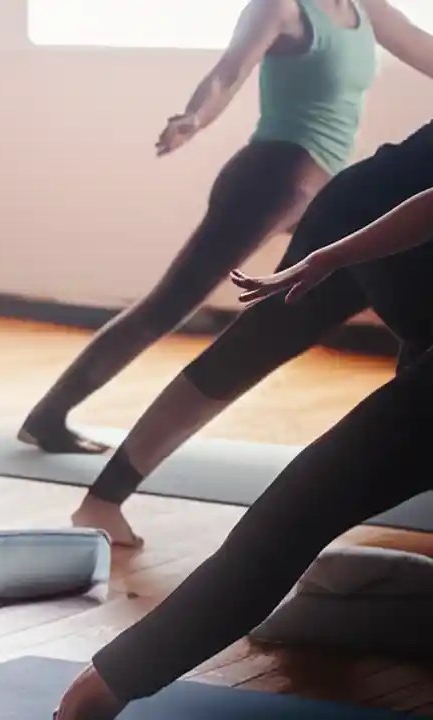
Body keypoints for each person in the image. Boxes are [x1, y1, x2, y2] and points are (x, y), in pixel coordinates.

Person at [52, 129, 433, 719]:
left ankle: (109, 681)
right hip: (366, 216)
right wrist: (327, 256)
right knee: (301, 489)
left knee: (314, 496)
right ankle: (106, 674)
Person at [21, 0, 433, 455]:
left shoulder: (366, 9)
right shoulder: (281, 7)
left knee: (389, 273)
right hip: (274, 178)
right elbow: (228, 72)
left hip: (323, 188)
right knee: (170, 303)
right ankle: (48, 417)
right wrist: (193, 117)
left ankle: (411, 432)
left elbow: (420, 46)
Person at [72, 119, 433, 547]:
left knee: (254, 348)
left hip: (368, 200)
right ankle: (105, 501)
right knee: (258, 349)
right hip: (383, 210)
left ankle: (103, 500)